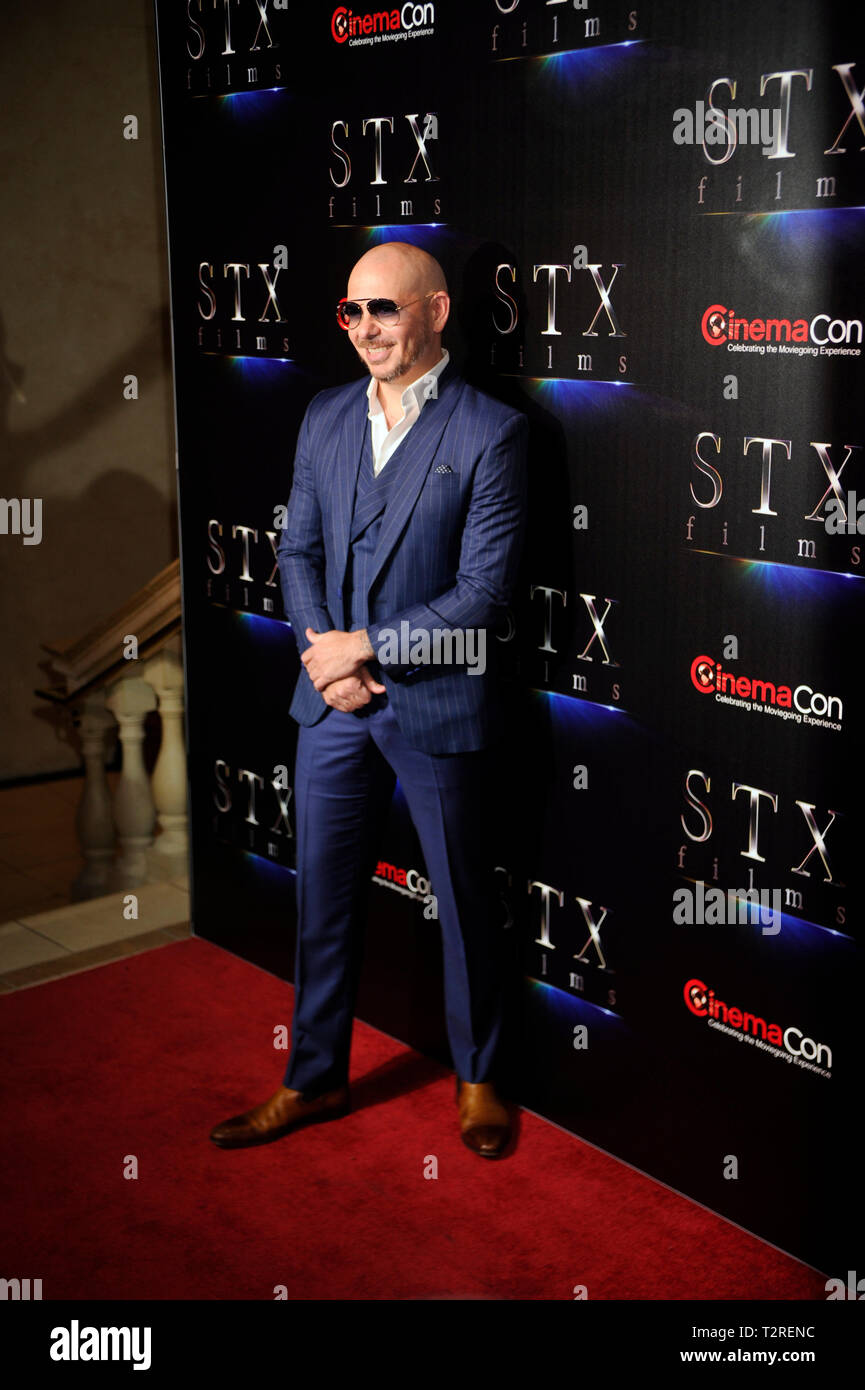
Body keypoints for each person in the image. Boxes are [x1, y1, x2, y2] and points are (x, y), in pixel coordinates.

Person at [210, 241, 528, 1158]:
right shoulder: (322, 416)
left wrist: (370, 650)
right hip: (331, 704)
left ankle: (477, 1081)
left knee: (465, 902)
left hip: (435, 706)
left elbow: (483, 595)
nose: (365, 329)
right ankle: (312, 1080)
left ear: (434, 312)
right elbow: (297, 551)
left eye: (384, 309)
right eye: (351, 311)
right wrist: (325, 659)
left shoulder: (489, 432)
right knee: (323, 901)